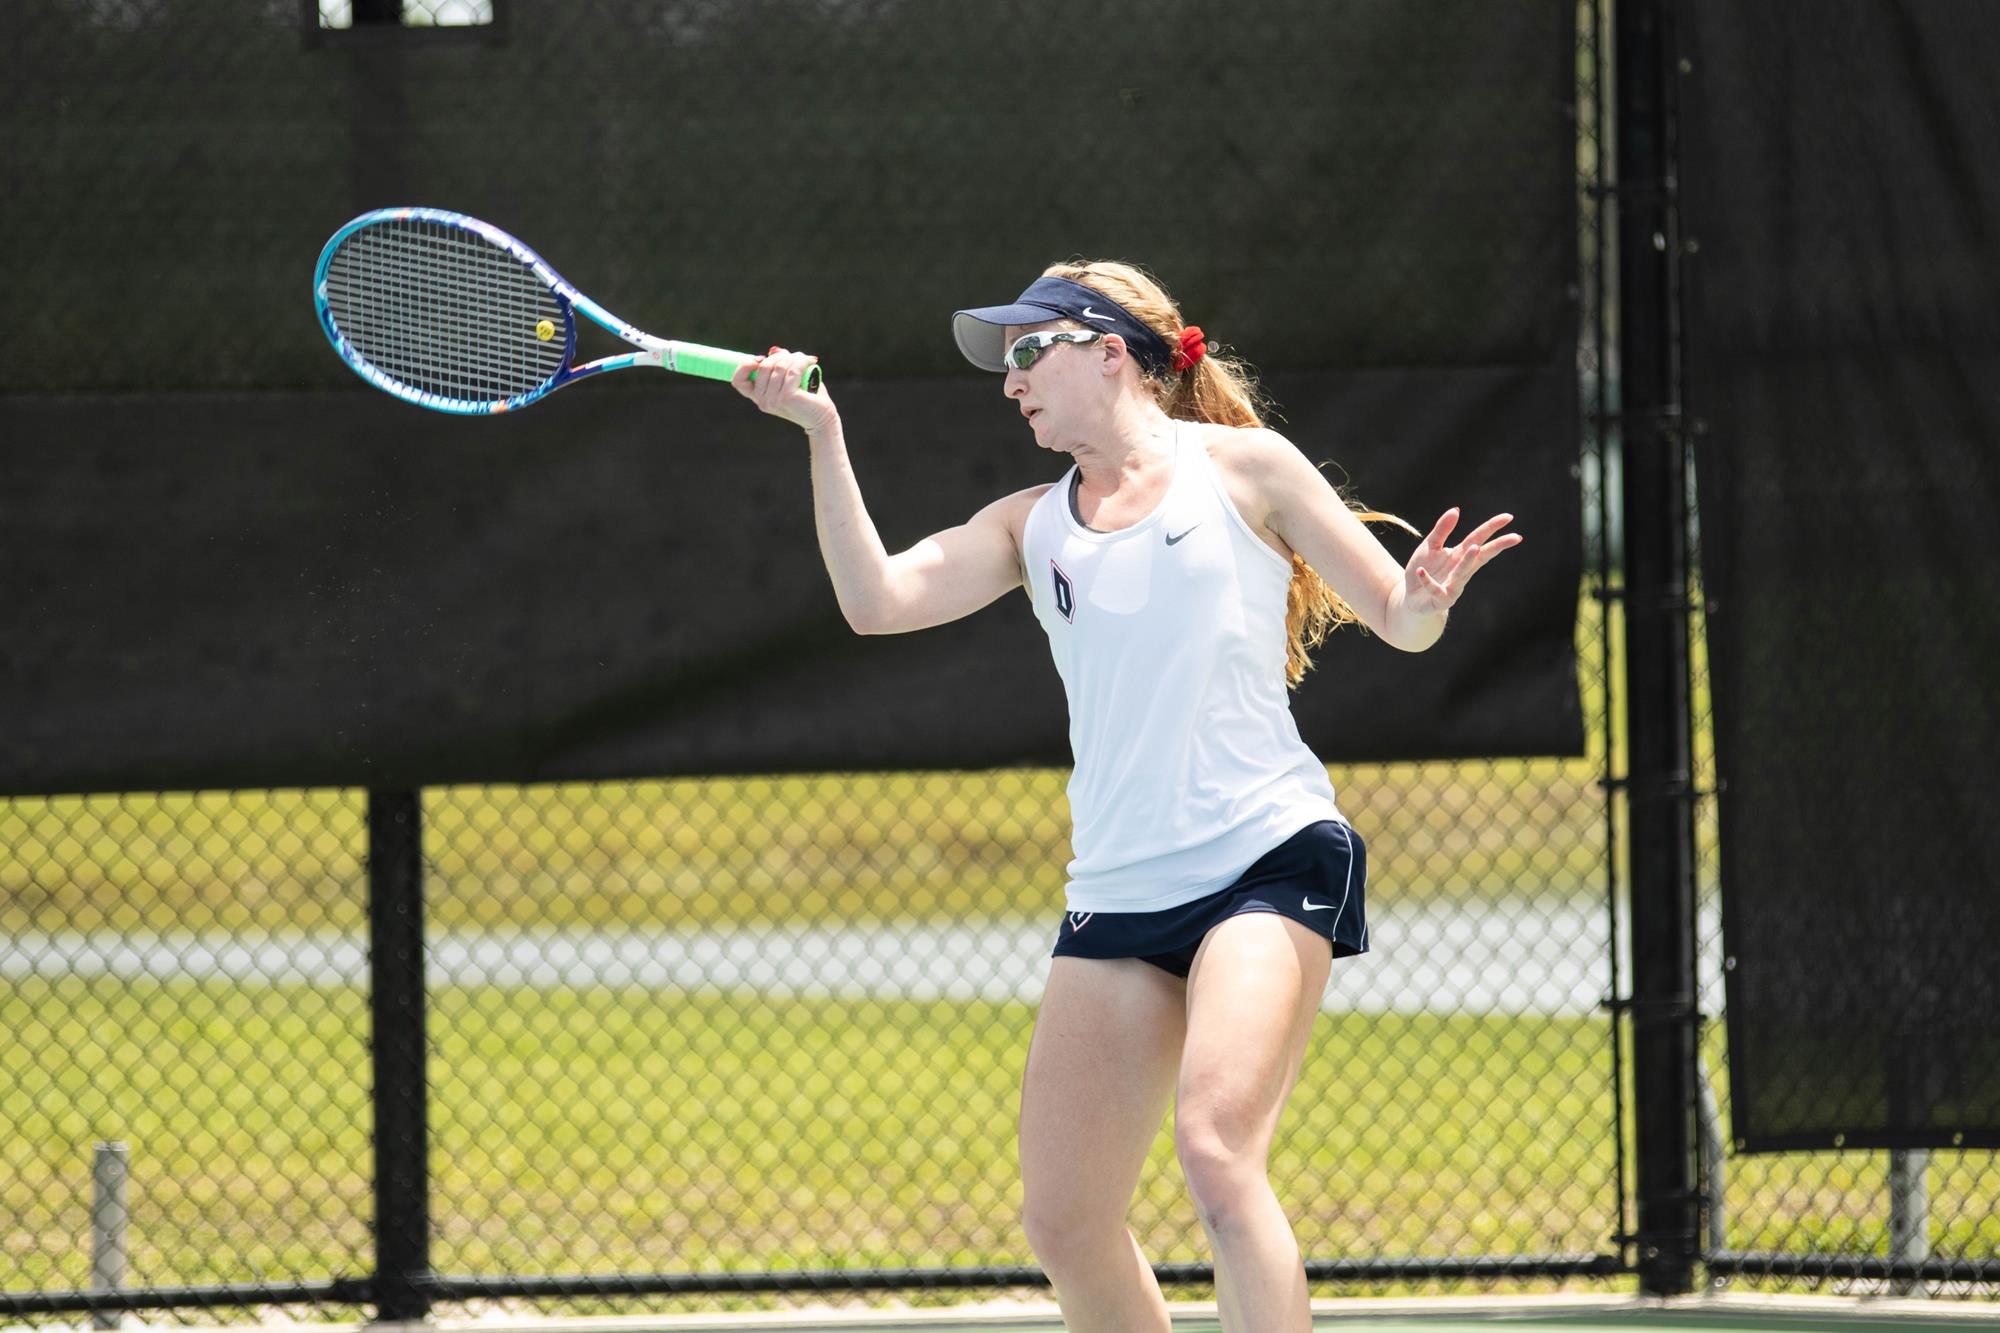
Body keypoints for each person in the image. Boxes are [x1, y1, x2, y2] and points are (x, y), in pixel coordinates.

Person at [732, 261, 1520, 1333]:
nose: (1009, 381)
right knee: (1063, 1219)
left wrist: (1422, 597)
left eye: (1026, 352)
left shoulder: (1248, 469)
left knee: (1214, 1147)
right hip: (1117, 890)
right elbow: (876, 601)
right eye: (1001, 361)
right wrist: (820, 435)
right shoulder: (1028, 524)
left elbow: (1397, 615)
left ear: (1110, 353)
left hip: (1267, 855)